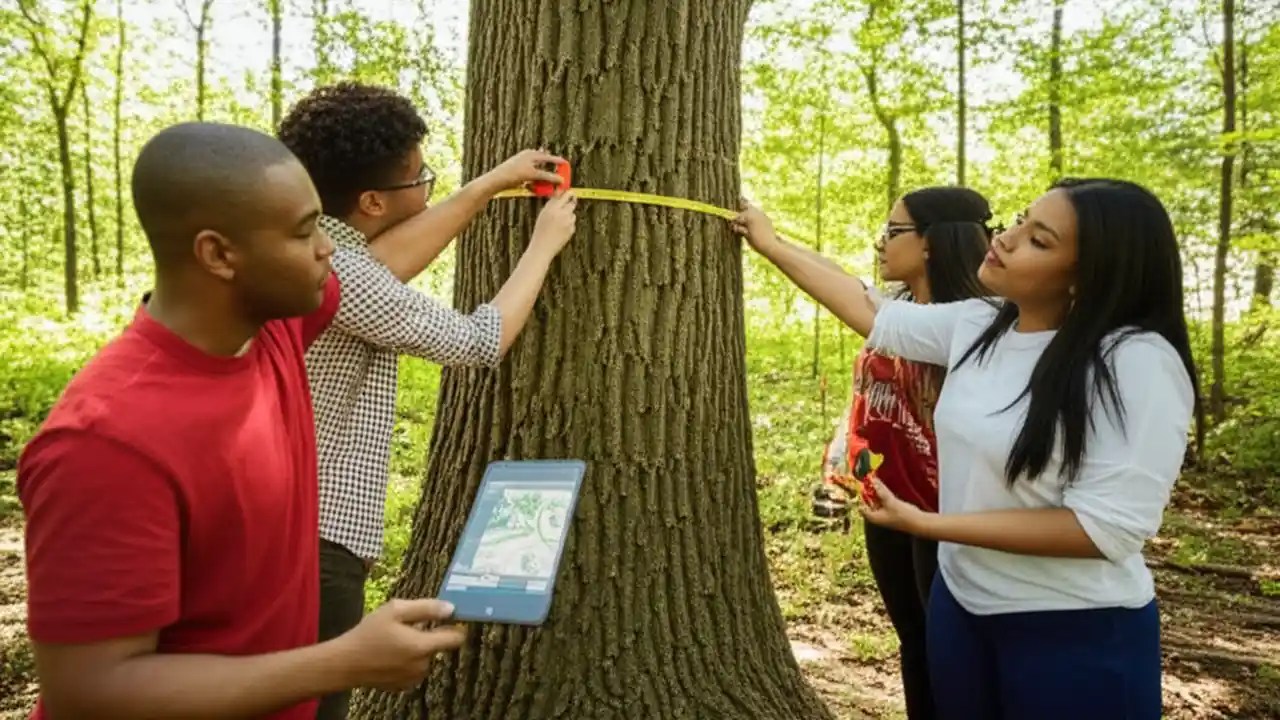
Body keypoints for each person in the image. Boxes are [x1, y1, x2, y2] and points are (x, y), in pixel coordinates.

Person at [17, 122, 471, 720]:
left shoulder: (274, 328)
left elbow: (378, 274)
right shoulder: (105, 441)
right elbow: (90, 692)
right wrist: (346, 660)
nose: (328, 248)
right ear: (219, 254)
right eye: (305, 231)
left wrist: (486, 190)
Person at [735, 178, 1199, 720]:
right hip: (962, 611)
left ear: (1087, 276)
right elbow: (871, 310)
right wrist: (770, 244)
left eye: (1039, 240)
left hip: (1073, 631)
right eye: (1021, 220)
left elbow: (1106, 529)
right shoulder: (983, 322)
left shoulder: (1134, 361)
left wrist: (931, 525)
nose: (1004, 238)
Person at [277, 82, 578, 720]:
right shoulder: (342, 275)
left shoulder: (309, 252)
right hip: (316, 543)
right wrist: (543, 244)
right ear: (372, 200)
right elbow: (476, 340)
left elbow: (380, 263)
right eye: (421, 179)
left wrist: (488, 185)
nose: (428, 190)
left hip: (288, 530)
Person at [816, 187, 991, 720]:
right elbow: (845, 289)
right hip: (884, 493)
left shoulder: (975, 319)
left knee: (947, 643)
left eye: (893, 232)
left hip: (940, 508)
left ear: (933, 243)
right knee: (912, 635)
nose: (880, 243)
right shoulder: (899, 306)